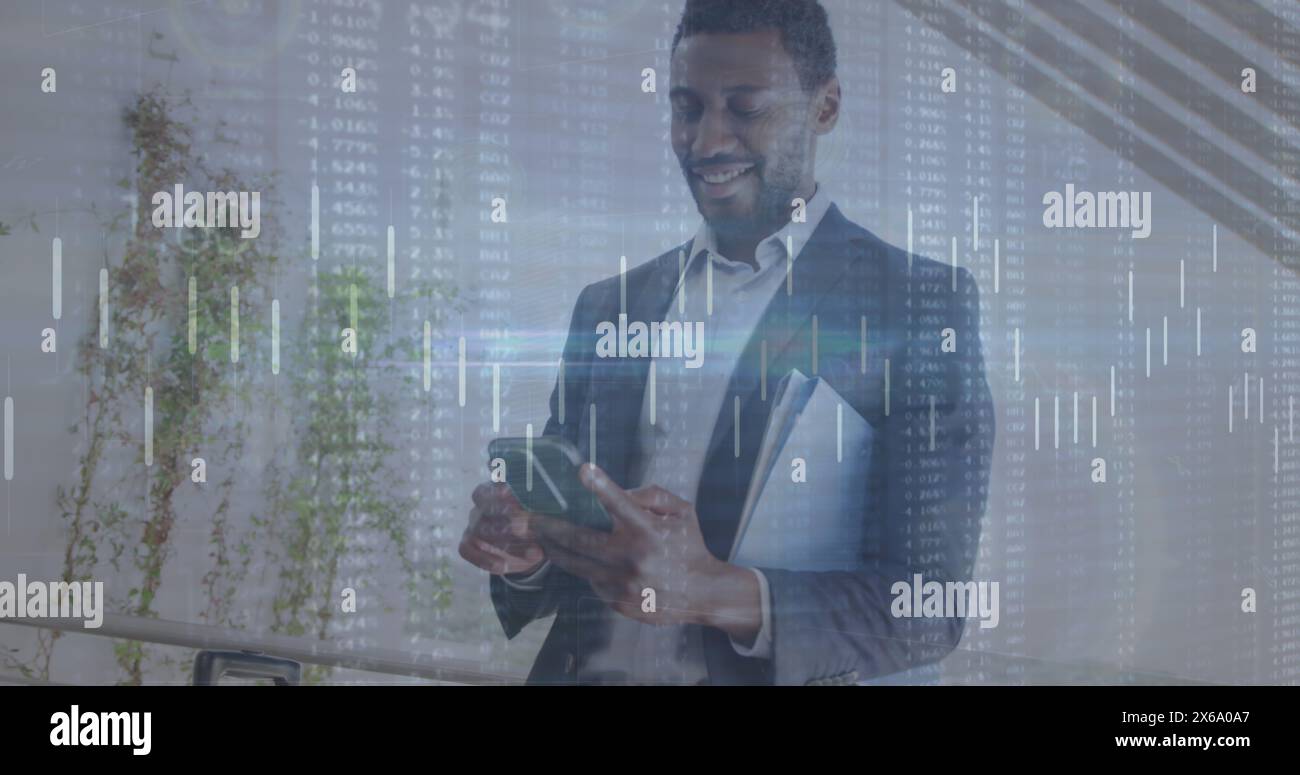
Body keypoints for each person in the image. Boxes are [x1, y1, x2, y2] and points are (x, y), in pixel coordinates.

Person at [460, 0, 994, 685]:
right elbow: (575, 559)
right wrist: (526, 549)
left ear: (824, 107)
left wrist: (711, 590)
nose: (707, 141)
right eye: (687, 108)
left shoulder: (919, 306)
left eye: (745, 108)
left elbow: (931, 607)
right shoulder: (610, 307)